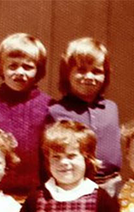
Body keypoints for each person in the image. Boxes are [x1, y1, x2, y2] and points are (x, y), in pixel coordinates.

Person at [0, 33, 52, 198]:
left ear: (39, 70)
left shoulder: (49, 106)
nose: (20, 72)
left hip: (38, 194)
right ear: (1, 68)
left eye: (27, 67)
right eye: (12, 66)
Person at [47, 37, 123, 191]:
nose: (89, 76)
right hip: (73, 185)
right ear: (67, 74)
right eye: (81, 70)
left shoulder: (110, 108)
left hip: (112, 184)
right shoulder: (56, 111)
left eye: (97, 71)